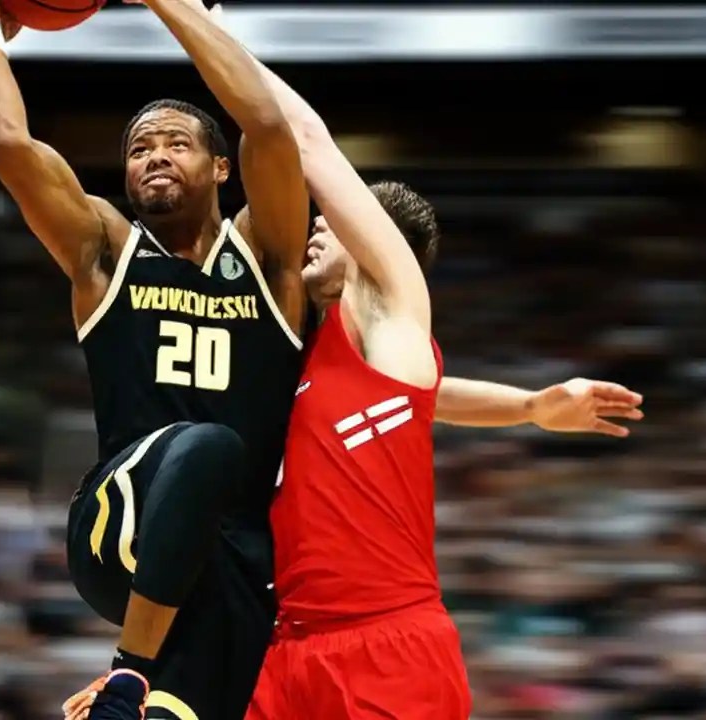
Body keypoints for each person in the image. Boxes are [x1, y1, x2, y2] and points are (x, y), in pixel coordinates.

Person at [203, 9, 643, 719]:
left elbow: (301, 136)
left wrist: (200, 24)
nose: (316, 230)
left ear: (372, 242)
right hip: (286, 653)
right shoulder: (334, 360)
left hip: (387, 652)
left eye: (332, 224)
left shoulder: (392, 307)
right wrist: (531, 406)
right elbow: (431, 397)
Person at [0, 0, 311, 717]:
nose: (154, 155)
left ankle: (131, 700)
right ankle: (126, 674)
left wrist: (170, 4)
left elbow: (269, 126)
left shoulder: (269, 259)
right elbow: (7, 142)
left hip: (228, 553)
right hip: (116, 525)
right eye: (138, 148)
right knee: (209, 445)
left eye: (177, 143)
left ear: (221, 167)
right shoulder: (106, 249)